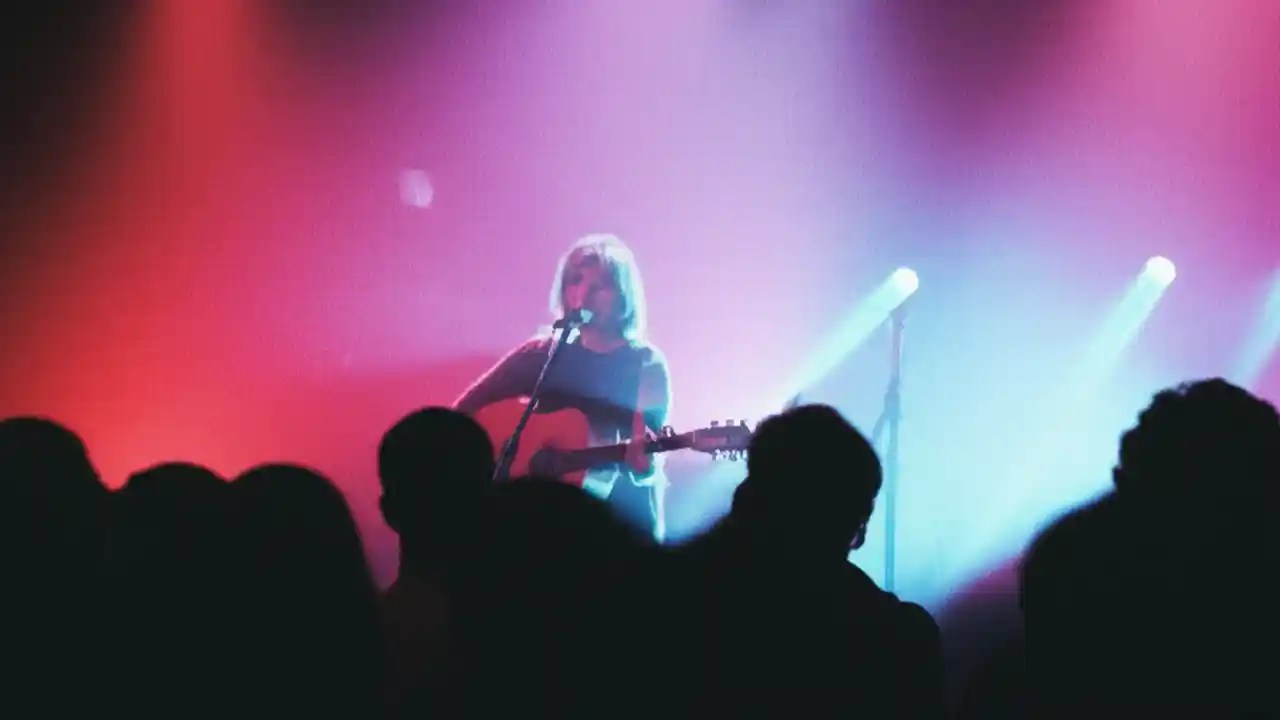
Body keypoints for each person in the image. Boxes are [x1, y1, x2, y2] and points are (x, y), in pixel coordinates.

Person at [454, 233, 672, 541]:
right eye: (575, 281)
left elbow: (648, 456)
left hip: (615, 530)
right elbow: (461, 415)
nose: (583, 294)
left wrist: (644, 466)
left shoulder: (645, 363)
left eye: (601, 285)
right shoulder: (541, 354)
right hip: (537, 526)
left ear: (624, 295)